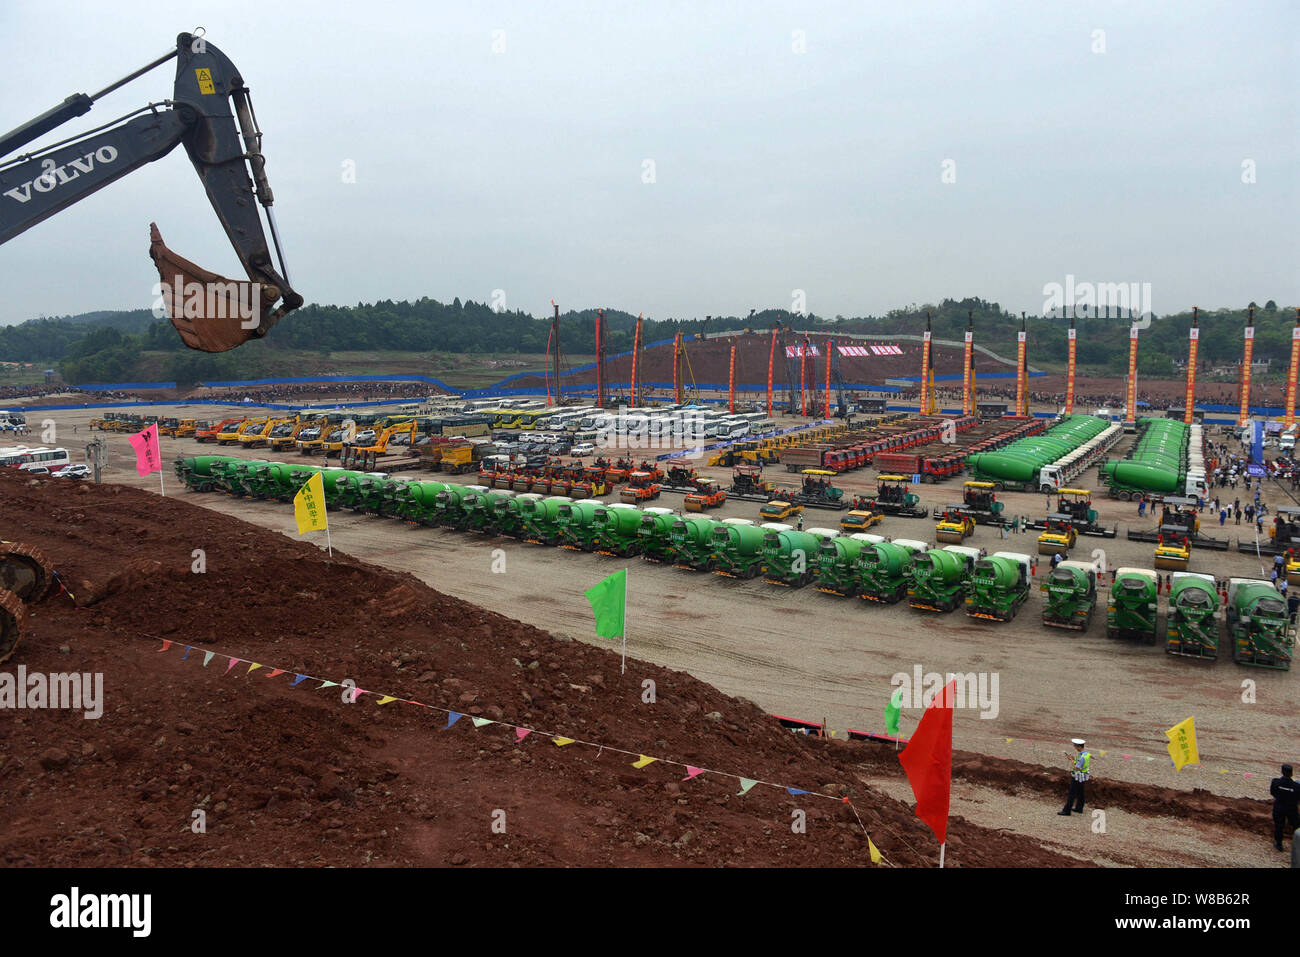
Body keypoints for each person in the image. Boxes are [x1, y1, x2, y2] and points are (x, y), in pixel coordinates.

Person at [1270, 764, 1300, 852]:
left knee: (1279, 826)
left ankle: (1279, 844)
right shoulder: (1297, 786)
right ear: (1291, 774)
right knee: (1297, 826)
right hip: (1291, 808)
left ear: (1282, 772)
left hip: (1279, 807)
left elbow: (1273, 793)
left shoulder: (1275, 782)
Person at [1058, 738, 1091, 816]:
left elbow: (1077, 767)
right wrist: (1074, 759)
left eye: (1075, 746)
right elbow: (1081, 764)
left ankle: (1067, 810)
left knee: (1072, 793)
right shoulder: (1086, 754)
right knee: (1080, 792)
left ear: (1079, 747)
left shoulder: (1082, 757)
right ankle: (1079, 808)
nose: (1075, 748)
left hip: (1077, 776)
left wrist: (1072, 761)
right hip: (1083, 776)